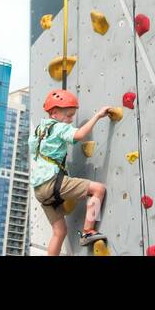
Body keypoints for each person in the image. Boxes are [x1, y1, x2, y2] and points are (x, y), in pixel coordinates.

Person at [32, 88, 115, 254]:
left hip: (39, 189)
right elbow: (79, 135)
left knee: (59, 232)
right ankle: (88, 231)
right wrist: (98, 115)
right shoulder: (58, 128)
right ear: (54, 112)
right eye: (68, 115)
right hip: (52, 182)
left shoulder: (38, 131)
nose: (70, 120)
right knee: (98, 189)